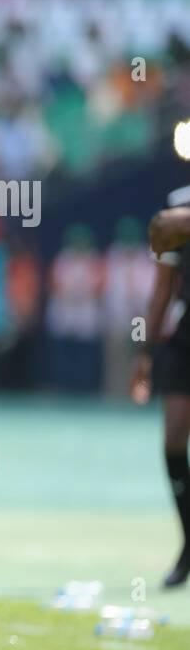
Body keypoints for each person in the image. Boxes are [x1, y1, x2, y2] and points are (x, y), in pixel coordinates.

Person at [132, 205, 190, 587]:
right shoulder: (177, 203)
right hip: (187, 335)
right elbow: (162, 288)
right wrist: (144, 350)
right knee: (172, 438)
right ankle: (189, 539)